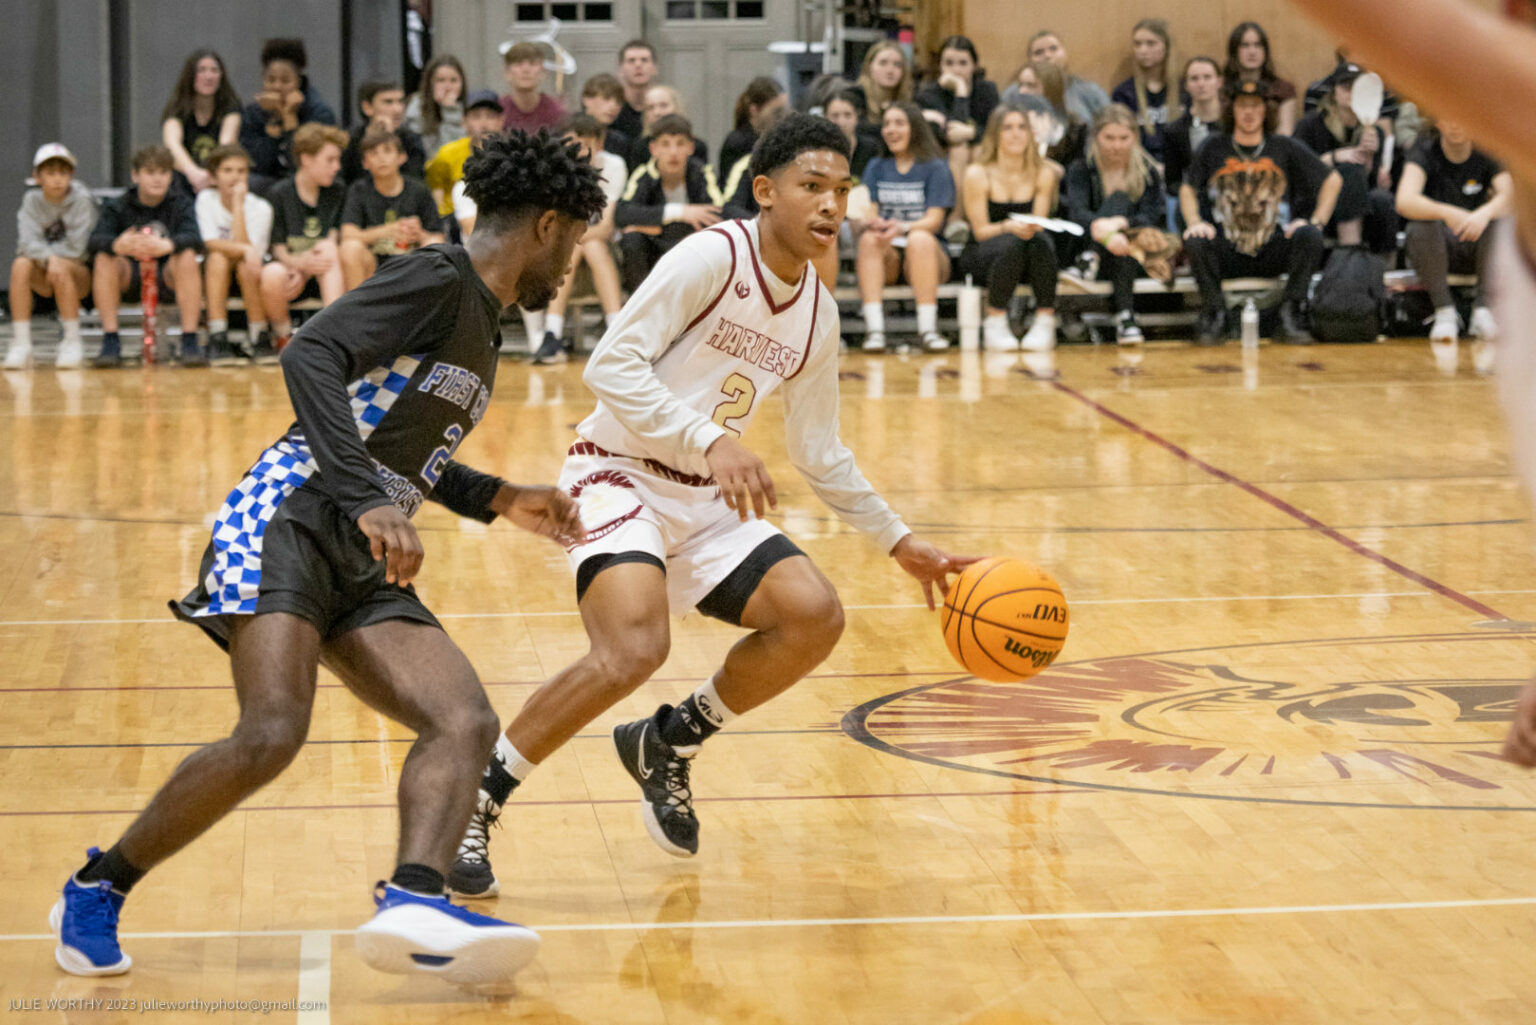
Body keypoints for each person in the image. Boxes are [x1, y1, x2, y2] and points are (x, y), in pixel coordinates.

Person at [49, 130, 606, 987]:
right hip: (287, 518)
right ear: (544, 224)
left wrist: (494, 495)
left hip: (359, 541)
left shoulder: (484, 324)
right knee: (273, 729)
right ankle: (97, 886)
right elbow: (310, 352)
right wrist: (371, 498)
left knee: (464, 720)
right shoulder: (434, 277)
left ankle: (415, 896)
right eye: (573, 240)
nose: (570, 262)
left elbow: (394, 435)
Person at [445, 113, 974, 897]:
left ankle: (671, 739)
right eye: (811, 187)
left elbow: (820, 451)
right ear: (764, 191)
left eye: (840, 190)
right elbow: (610, 364)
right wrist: (709, 438)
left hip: (704, 497)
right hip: (617, 471)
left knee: (813, 616)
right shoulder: (711, 256)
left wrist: (900, 542)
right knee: (632, 648)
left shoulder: (818, 312)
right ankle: (475, 802)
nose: (830, 205)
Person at [1180, 80, 1340, 344]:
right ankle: (1214, 313)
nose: (1249, 112)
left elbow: (1332, 180)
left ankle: (1291, 313)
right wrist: (1195, 222)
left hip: (1271, 246)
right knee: (1195, 240)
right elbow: (1187, 188)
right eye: (1243, 105)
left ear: (1266, 110)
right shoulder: (1213, 146)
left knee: (1310, 235)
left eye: (1255, 106)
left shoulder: (1283, 146)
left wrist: (1316, 221)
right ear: (1233, 110)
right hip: (1227, 247)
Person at [1396, 118, 1511, 371]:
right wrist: (1447, 212)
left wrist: (1485, 213)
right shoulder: (1425, 149)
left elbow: (1512, 194)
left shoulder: (1486, 148)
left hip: (1477, 243)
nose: (1457, 124)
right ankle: (1444, 311)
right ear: (1438, 121)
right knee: (1420, 225)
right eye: (1448, 117)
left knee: (1503, 220)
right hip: (1439, 246)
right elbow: (1404, 200)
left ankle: (1484, 309)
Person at [89, 145, 205, 368]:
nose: (158, 179)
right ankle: (110, 341)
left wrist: (168, 245)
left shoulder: (181, 204)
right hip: (130, 277)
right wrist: (118, 244)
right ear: (136, 175)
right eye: (150, 172)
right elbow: (94, 241)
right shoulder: (117, 205)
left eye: (163, 172)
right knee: (105, 258)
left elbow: (196, 238)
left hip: (168, 277)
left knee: (187, 256)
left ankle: (190, 340)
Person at [855, 101, 957, 352]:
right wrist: (873, 222)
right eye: (887, 124)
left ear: (916, 128)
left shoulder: (936, 167)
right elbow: (870, 209)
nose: (890, 129)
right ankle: (875, 331)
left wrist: (901, 227)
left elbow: (934, 220)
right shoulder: (876, 166)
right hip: (888, 254)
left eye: (899, 123)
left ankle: (928, 330)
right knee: (869, 239)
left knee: (920, 238)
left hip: (928, 255)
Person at [958, 106, 1061, 352]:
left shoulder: (1044, 172)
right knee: (1013, 243)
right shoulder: (977, 173)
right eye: (1007, 128)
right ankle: (995, 320)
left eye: (1021, 127)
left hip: (1028, 253)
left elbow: (1039, 222)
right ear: (995, 135)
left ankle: (1045, 320)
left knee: (1042, 241)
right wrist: (1007, 226)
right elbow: (981, 231)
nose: (1016, 134)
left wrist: (1030, 227)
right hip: (984, 253)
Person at [1066, 104, 1169, 344]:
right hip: (1081, 245)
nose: (1116, 145)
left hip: (1134, 249)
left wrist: (1120, 224)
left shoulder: (1147, 171)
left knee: (1124, 238)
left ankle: (1092, 258)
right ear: (1096, 137)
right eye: (1109, 138)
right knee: (1119, 220)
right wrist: (1105, 233)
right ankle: (1126, 317)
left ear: (1134, 137)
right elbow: (1077, 214)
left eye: (1124, 138)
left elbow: (1152, 215)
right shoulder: (1082, 168)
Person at [532, 115, 628, 365]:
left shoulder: (614, 166)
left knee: (592, 245)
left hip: (605, 247)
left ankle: (556, 332)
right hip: (563, 249)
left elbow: (605, 227)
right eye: (572, 144)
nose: (579, 152)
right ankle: (555, 334)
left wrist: (575, 237)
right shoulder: (554, 170)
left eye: (586, 144)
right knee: (577, 247)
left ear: (600, 144)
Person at [258, 123, 349, 355]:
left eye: (338, 160)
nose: (336, 167)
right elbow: (276, 248)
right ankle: (283, 337)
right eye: (330, 160)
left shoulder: (338, 191)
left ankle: (334, 336)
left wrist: (308, 265)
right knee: (271, 274)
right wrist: (298, 264)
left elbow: (333, 238)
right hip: (291, 274)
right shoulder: (279, 193)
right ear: (307, 159)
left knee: (328, 249)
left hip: (327, 273)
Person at [5, 144, 96, 370]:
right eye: (50, 173)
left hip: (79, 276)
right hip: (45, 272)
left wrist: (52, 259)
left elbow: (79, 248)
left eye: (63, 173)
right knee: (20, 264)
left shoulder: (82, 200)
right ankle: (21, 343)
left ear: (71, 176)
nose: (57, 179)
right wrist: (49, 259)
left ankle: (72, 342)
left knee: (62, 268)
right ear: (37, 177)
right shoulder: (31, 201)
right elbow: (26, 243)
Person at [1292, 63, 1397, 252]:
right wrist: (1334, 157)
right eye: (1346, 87)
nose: (1351, 92)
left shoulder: (1373, 132)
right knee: (1348, 171)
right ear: (1334, 91)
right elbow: (1296, 171)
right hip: (1317, 201)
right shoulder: (1311, 124)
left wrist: (1371, 160)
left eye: (1357, 87)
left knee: (1383, 199)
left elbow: (1376, 183)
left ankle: (1383, 267)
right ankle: (1350, 251)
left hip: (1361, 204)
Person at [615, 114, 722, 294]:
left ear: (690, 147)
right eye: (665, 144)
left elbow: (719, 214)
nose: (673, 152)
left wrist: (654, 226)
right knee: (632, 240)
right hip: (655, 249)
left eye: (680, 144)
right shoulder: (643, 174)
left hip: (690, 246)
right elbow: (622, 213)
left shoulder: (701, 172)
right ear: (653, 149)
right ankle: (642, 304)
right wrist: (680, 212)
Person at [340, 127, 446, 290]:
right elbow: (347, 234)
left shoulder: (419, 190)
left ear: (401, 157)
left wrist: (419, 234)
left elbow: (438, 236)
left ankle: (427, 311)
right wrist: (386, 231)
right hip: (372, 266)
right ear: (365, 163)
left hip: (410, 264)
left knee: (435, 245)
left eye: (387, 151)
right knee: (350, 248)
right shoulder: (359, 190)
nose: (381, 158)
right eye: (374, 153)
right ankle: (358, 311)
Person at [196, 144, 273, 363]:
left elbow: (251, 253)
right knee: (218, 258)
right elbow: (211, 243)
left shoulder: (261, 207)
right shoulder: (205, 200)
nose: (235, 177)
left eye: (241, 171)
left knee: (245, 264)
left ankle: (259, 334)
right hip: (214, 273)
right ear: (214, 177)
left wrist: (238, 206)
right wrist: (245, 249)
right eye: (228, 170)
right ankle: (217, 335)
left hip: (250, 274)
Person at [238, 39, 339, 196]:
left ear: (298, 81)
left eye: (285, 81)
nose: (277, 86)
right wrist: (272, 123)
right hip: (267, 182)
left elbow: (304, 163)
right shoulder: (253, 113)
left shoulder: (319, 112)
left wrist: (289, 118)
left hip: (306, 180)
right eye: (271, 80)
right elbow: (255, 165)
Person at [916, 35, 1002, 207]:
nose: (955, 70)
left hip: (980, 149)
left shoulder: (987, 90)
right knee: (960, 150)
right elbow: (952, 135)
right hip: (943, 152)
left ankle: (973, 218)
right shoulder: (929, 94)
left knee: (977, 151)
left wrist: (971, 132)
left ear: (974, 65)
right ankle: (957, 217)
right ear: (940, 66)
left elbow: (998, 128)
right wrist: (960, 93)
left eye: (963, 63)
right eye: (949, 63)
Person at [160, 49, 241, 195]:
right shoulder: (177, 109)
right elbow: (172, 146)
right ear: (190, 76)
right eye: (201, 70)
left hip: (219, 175)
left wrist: (213, 176)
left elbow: (227, 145)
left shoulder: (231, 107)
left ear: (221, 76)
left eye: (214, 71)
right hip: (186, 175)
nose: (208, 76)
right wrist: (194, 174)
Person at [425, 91, 506, 221]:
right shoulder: (446, 154)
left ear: (502, 120)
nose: (484, 124)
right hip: (454, 223)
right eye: (476, 117)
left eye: (491, 116)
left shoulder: (514, 154)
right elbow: (436, 198)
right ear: (464, 121)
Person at [1111, 19, 1180, 167]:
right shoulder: (1123, 93)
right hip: (1141, 168)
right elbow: (1122, 140)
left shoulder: (1184, 89)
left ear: (1166, 47)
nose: (1142, 50)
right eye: (1137, 44)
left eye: (1151, 43)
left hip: (1179, 168)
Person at [1163, 57, 1223, 221]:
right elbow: (1172, 182)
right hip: (1195, 197)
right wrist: (1188, 192)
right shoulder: (1175, 130)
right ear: (1186, 85)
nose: (1201, 84)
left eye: (1207, 77)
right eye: (1194, 79)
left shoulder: (1236, 125)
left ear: (1219, 81)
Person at [340, 80, 428, 185]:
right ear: (367, 108)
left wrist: (390, 140)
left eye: (400, 102)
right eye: (388, 102)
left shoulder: (411, 139)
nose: (398, 109)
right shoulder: (348, 140)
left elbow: (414, 182)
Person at [1223, 22, 1298, 135]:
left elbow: (1285, 133)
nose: (1252, 52)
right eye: (1245, 45)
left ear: (1265, 51)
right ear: (1234, 50)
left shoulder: (1283, 89)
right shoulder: (1222, 88)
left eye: (1258, 45)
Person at [1025, 30, 1110, 126]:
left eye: (1053, 49)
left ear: (1065, 53)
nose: (1047, 55)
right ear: (1029, 60)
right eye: (1038, 52)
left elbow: (1112, 129)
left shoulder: (1091, 91)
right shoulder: (1015, 94)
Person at [627, 85, 711, 171]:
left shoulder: (697, 146)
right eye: (650, 108)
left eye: (663, 105)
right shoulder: (640, 148)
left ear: (676, 107)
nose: (657, 112)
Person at [719, 77, 787, 181]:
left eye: (784, 112)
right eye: (776, 113)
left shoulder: (778, 140)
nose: (783, 118)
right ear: (754, 110)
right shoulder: (737, 143)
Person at [406, 54, 467, 159]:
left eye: (453, 80)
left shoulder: (469, 107)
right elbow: (440, 154)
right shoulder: (416, 107)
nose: (448, 87)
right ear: (429, 83)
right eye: (440, 80)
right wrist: (449, 111)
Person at [500, 42, 565, 135]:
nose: (526, 70)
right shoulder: (498, 112)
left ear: (543, 71)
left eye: (532, 63)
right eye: (518, 64)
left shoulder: (557, 113)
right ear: (507, 72)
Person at [853, 40, 914, 136]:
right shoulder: (855, 97)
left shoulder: (910, 102)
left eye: (897, 65)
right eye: (883, 63)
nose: (890, 70)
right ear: (869, 66)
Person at [824, 91, 879, 180]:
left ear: (857, 117)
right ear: (825, 118)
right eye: (835, 116)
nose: (841, 122)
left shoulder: (871, 148)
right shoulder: (818, 150)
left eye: (847, 115)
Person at [580, 73, 633, 164]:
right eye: (606, 98)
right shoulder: (567, 134)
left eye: (618, 101)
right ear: (586, 99)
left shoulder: (620, 142)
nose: (614, 106)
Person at [612, 40, 658, 144]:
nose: (638, 65)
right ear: (620, 69)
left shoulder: (662, 109)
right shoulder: (612, 111)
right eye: (631, 60)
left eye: (644, 60)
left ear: (655, 68)